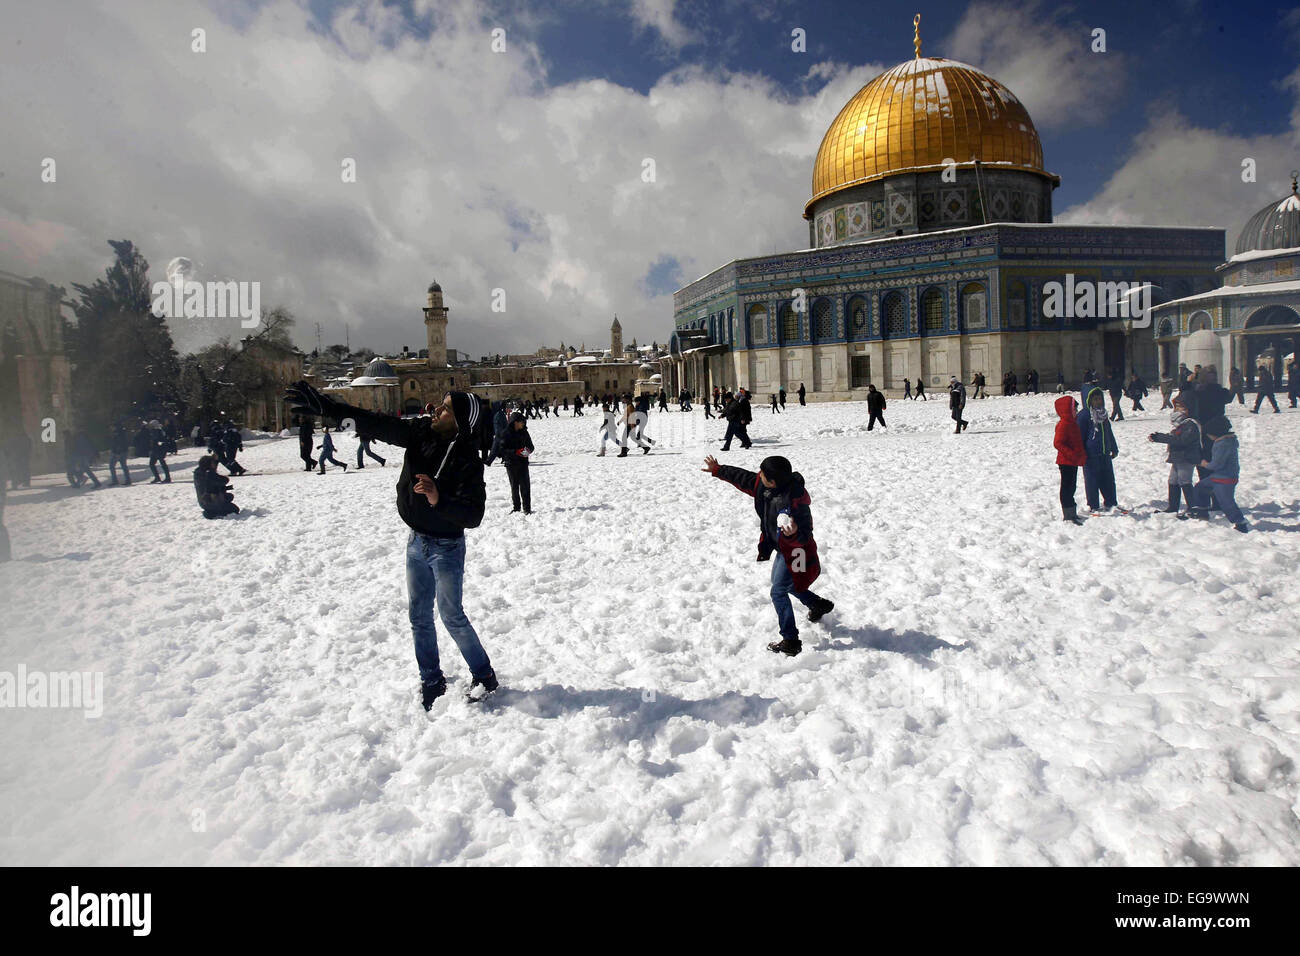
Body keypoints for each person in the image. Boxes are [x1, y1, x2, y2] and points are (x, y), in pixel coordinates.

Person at [285, 380, 498, 708]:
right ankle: (431, 679)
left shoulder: (467, 458)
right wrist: (328, 409)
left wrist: (438, 498)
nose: (437, 410)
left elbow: (474, 514)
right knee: (418, 615)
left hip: (446, 548)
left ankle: (484, 675)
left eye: (446, 409)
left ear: (459, 421)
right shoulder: (420, 432)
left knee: (451, 614)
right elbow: (377, 423)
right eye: (440, 404)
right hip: (415, 542)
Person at [701, 453, 833, 656]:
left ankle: (790, 640)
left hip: (798, 551)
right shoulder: (763, 486)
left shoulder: (796, 501)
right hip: (783, 548)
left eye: (762, 473)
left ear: (773, 481)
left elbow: (806, 533)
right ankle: (818, 604)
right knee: (789, 585)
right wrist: (719, 470)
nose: (758, 474)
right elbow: (743, 477)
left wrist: (795, 532)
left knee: (778, 591)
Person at [1182, 416, 1248, 532]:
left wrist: (1204, 464)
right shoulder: (1225, 441)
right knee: (1200, 487)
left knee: (1226, 502)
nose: (1207, 436)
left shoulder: (1223, 444)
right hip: (1217, 477)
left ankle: (1240, 522)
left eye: (1208, 433)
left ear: (1216, 433)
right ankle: (1201, 510)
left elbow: (1217, 464)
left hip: (1225, 479)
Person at [1147, 392, 1200, 515]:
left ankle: (1193, 507)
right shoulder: (1181, 425)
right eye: (1175, 407)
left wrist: (1160, 438)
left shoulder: (1191, 424)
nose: (1176, 410)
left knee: (1185, 481)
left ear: (1188, 409)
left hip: (1187, 457)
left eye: (1179, 407)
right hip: (1178, 457)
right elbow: (1174, 437)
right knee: (1173, 480)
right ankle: (1173, 506)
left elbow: (1182, 440)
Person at [1078, 385, 1119, 512]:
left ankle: (1111, 501)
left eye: (1099, 399)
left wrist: (1113, 447)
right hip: (1091, 455)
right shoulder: (1084, 416)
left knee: (1108, 479)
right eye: (1094, 399)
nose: (1098, 402)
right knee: (1092, 481)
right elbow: (1080, 436)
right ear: (1088, 400)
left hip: (1104, 452)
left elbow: (1108, 432)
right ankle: (1093, 505)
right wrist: (1081, 453)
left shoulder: (1103, 414)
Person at [1052, 395, 1085, 524]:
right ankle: (1068, 514)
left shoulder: (1072, 423)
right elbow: (1058, 443)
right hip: (1066, 461)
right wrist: (1071, 454)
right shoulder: (1064, 424)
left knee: (1071, 487)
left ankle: (1072, 512)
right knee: (1067, 488)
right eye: (1074, 409)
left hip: (1072, 461)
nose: (1076, 412)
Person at [501, 411, 534, 513]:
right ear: (515, 422)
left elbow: (531, 446)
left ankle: (527, 508)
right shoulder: (505, 433)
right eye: (521, 422)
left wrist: (527, 451)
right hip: (511, 464)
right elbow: (502, 450)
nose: (523, 424)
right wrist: (515, 452)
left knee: (525, 487)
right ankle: (516, 508)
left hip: (523, 463)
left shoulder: (525, 432)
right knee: (514, 487)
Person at [194, 454, 240, 518]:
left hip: (204, 501)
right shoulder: (209, 474)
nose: (214, 465)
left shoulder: (199, 473)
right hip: (211, 501)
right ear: (208, 464)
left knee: (229, 497)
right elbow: (224, 480)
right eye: (213, 463)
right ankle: (212, 512)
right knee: (235, 509)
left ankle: (211, 511)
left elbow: (212, 485)